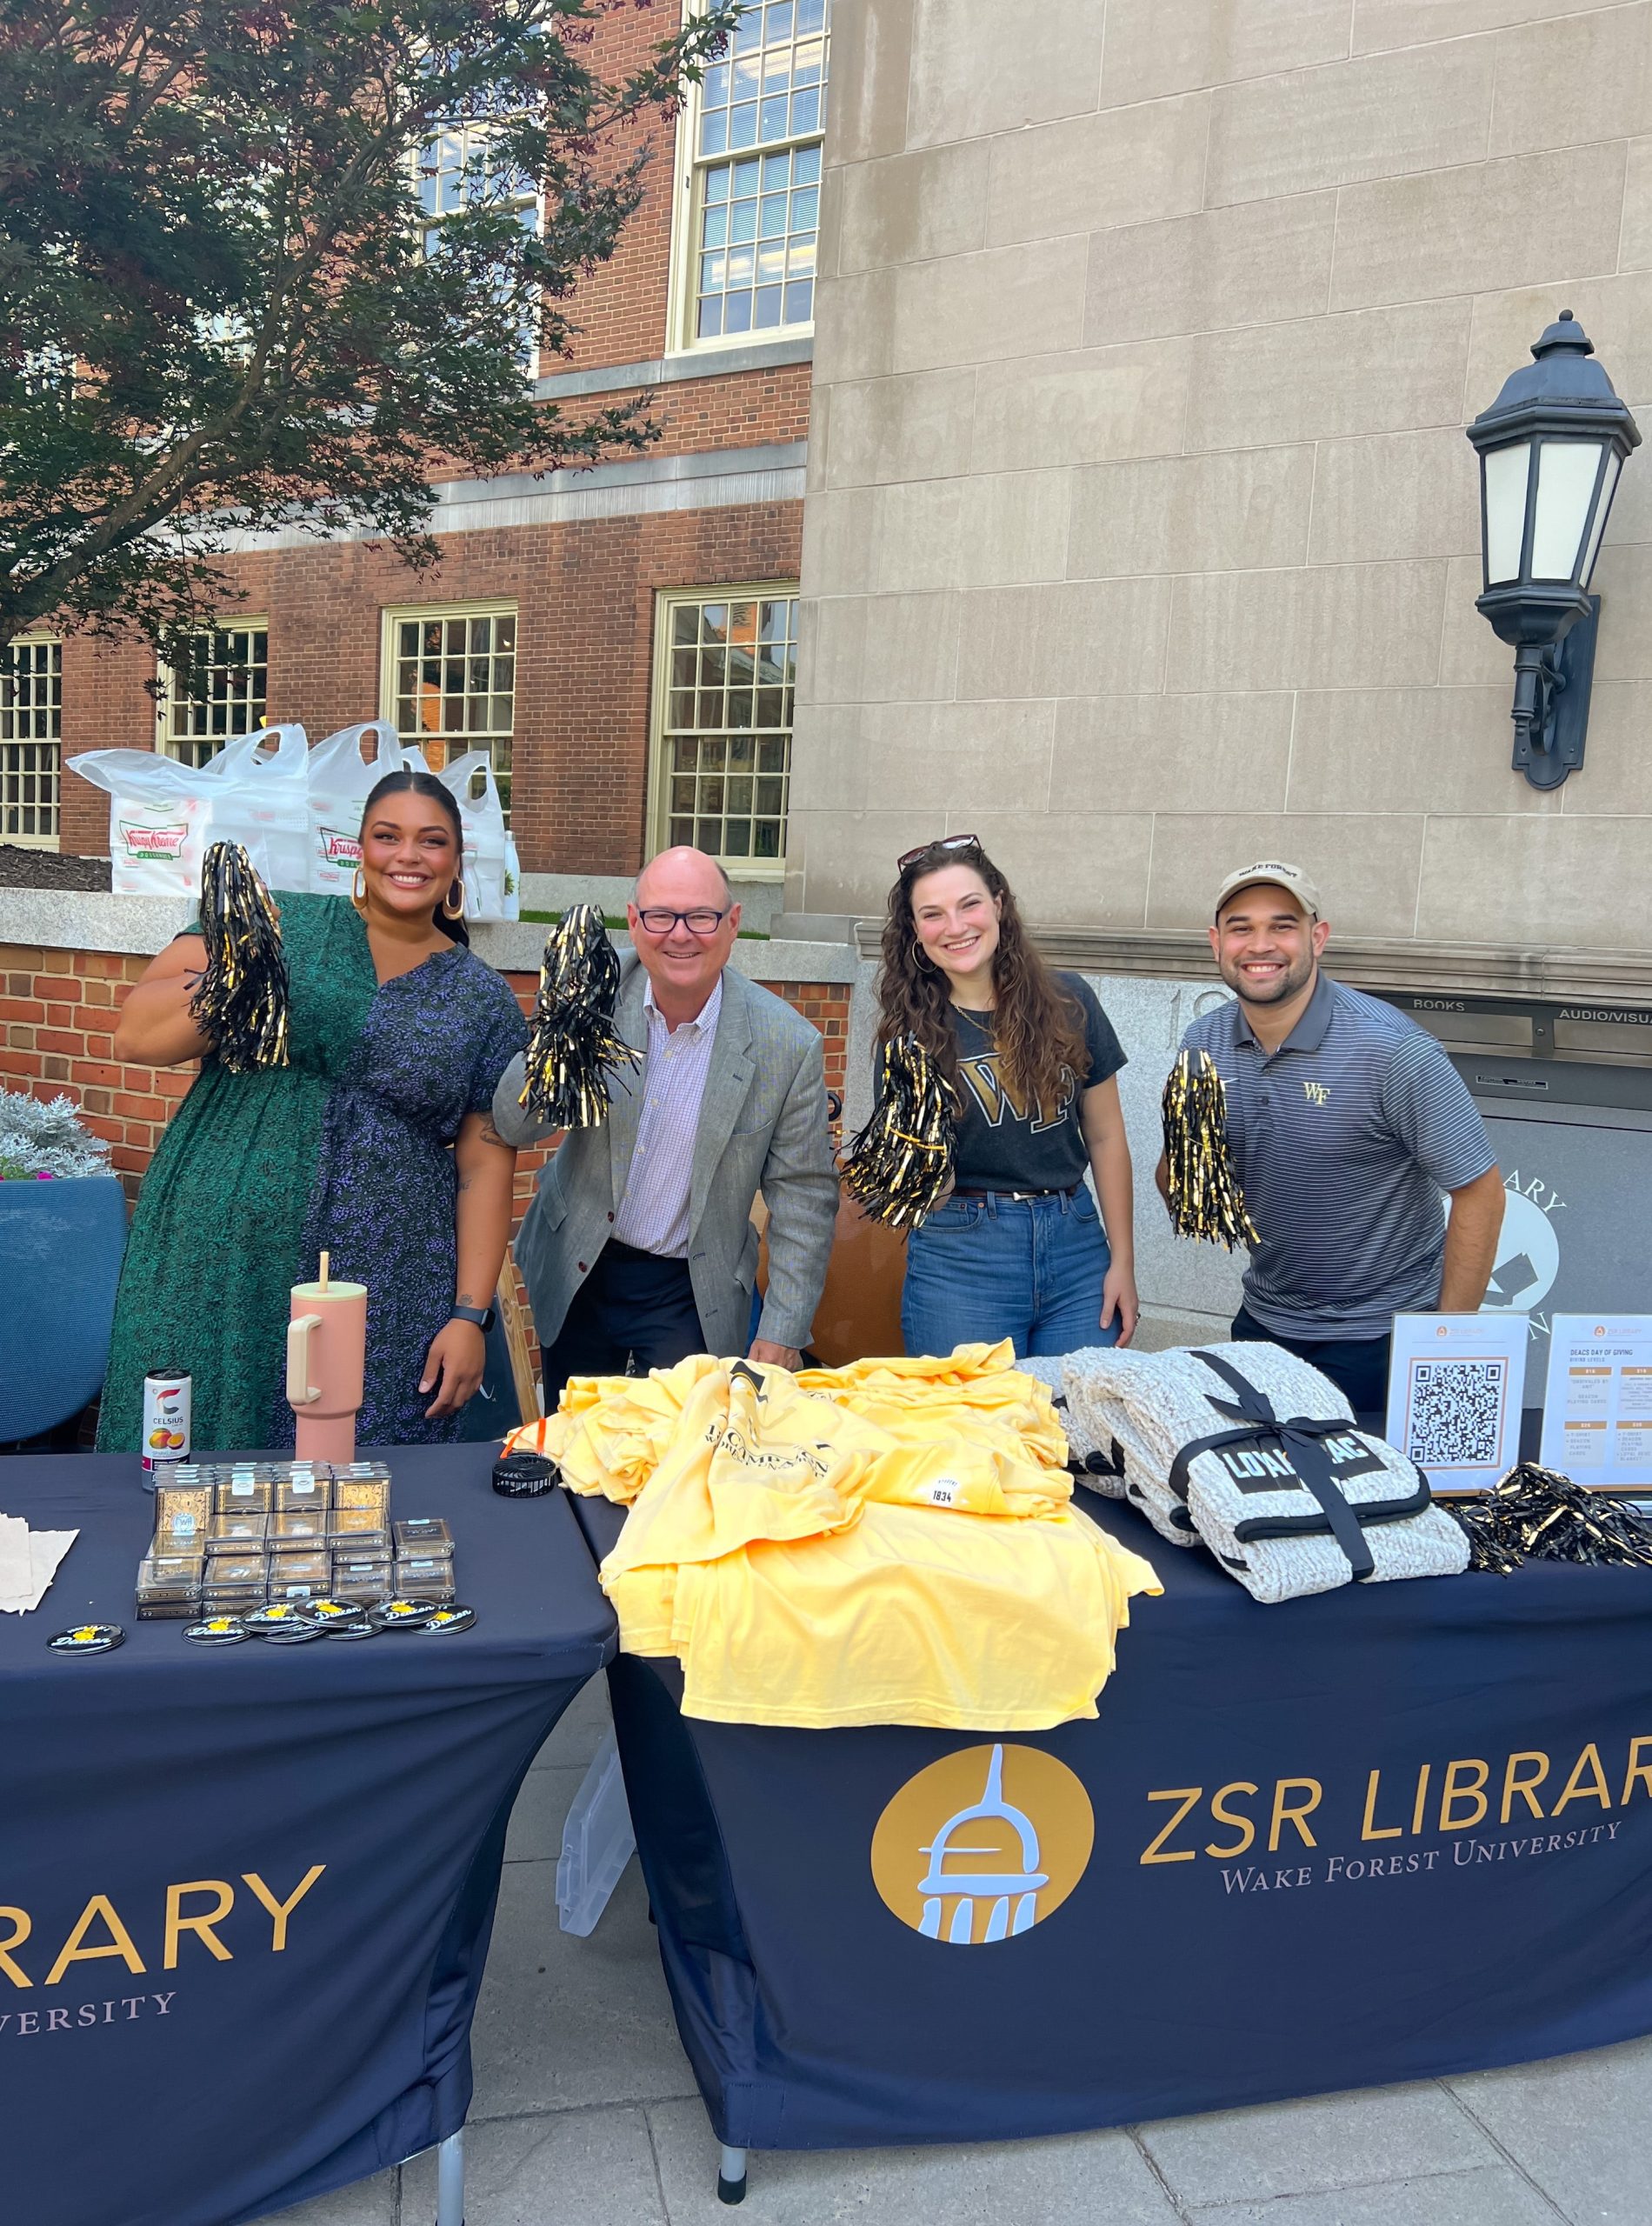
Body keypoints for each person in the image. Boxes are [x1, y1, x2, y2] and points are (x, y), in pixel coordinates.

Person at [98, 770, 527, 1451]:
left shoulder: (484, 1000)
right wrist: (241, 976)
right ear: (359, 849)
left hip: (388, 1273)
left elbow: (485, 1159)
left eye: (432, 841)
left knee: (356, 1467)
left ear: (456, 862)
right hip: (221, 1247)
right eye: (387, 836)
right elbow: (136, 1035)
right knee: (197, 1443)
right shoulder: (277, 920)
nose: (408, 856)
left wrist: (468, 1316)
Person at [1157, 861, 1504, 1419]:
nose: (1260, 944)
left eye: (1282, 926)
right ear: (1216, 943)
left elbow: (1480, 1191)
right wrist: (1188, 1158)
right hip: (1263, 1320)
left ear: (1318, 937)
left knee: (1363, 1502)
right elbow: (1186, 1184)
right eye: (1241, 927)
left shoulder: (1392, 1049)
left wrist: (1445, 1344)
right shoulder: (1204, 1042)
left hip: (1378, 1337)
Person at [492, 845, 838, 1401]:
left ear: (732, 924)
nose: (680, 935)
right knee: (574, 1441)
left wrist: (783, 1329)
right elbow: (515, 1125)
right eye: (660, 917)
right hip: (581, 1258)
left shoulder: (787, 1045)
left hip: (690, 1279)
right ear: (633, 921)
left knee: (680, 1453)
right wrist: (562, 1026)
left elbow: (804, 1197)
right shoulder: (598, 995)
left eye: (701, 917)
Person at [876, 835, 1137, 1359]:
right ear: (915, 933)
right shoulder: (906, 1034)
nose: (955, 926)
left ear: (998, 904)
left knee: (1076, 1431)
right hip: (963, 1255)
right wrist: (920, 1157)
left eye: (969, 904)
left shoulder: (1069, 1000)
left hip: (1076, 1248)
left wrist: (1123, 1263)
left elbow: (1107, 1137)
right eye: (933, 914)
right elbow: (922, 1190)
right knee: (972, 1433)